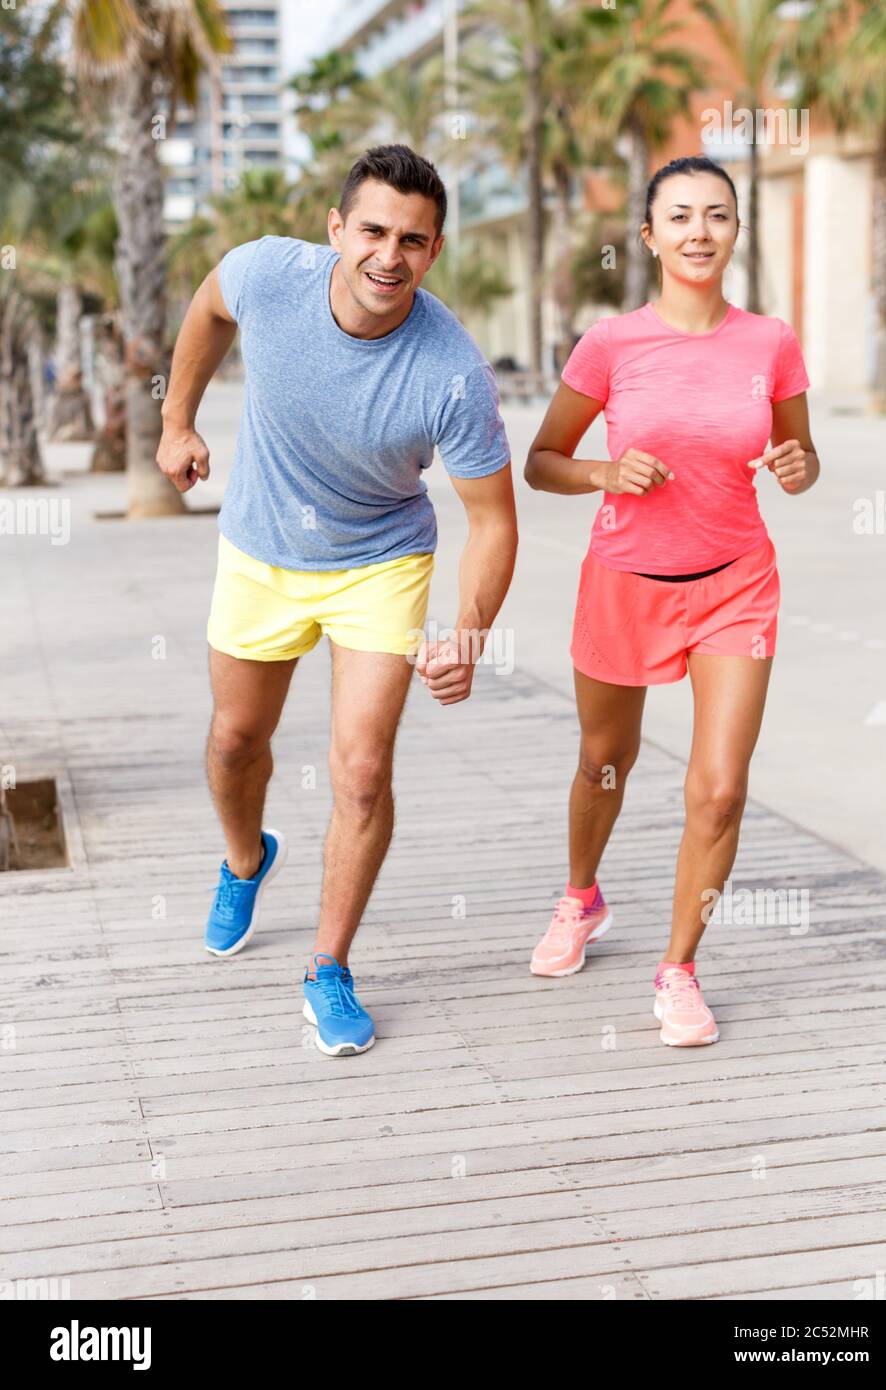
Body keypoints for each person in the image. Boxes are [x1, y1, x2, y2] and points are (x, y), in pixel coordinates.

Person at [156, 145, 517, 1057]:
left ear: (434, 251)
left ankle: (328, 965)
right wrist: (177, 420)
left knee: (361, 769)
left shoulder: (451, 371)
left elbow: (494, 521)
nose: (388, 256)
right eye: (372, 231)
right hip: (261, 545)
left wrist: (468, 636)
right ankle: (246, 859)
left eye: (412, 239)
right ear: (335, 229)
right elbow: (207, 307)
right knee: (237, 739)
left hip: (379, 561)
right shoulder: (269, 274)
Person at [524, 155, 818, 1046]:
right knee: (603, 763)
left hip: (736, 586)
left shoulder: (769, 342)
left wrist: (801, 469)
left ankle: (678, 967)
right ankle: (581, 896)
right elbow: (540, 462)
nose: (700, 231)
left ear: (735, 231)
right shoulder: (610, 345)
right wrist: (606, 471)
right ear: (648, 236)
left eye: (717, 215)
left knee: (718, 791)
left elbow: (798, 462)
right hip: (623, 585)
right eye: (680, 216)